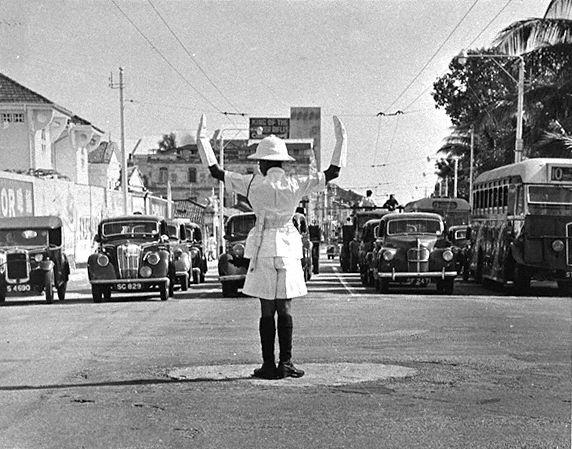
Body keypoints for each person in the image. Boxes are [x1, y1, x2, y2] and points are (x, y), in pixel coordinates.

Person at [196, 114, 346, 379]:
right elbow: (333, 173)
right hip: (288, 246)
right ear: (283, 162)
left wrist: (202, 140)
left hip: (264, 246)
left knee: (267, 309)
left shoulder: (252, 182)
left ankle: (268, 364)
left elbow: (215, 171)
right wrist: (342, 139)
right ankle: (286, 363)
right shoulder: (296, 182)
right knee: (285, 307)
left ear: (263, 163)